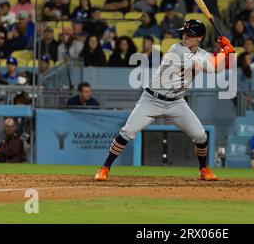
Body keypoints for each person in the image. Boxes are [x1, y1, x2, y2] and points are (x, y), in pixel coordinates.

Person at [94, 19, 235, 181]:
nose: (185, 37)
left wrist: (229, 52)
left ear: (200, 38)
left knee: (201, 136)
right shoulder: (177, 50)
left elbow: (219, 69)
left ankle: (203, 169)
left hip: (176, 102)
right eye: (185, 33)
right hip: (151, 100)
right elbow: (211, 66)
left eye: (190, 35)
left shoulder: (203, 54)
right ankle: (105, 167)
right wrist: (225, 51)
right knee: (127, 132)